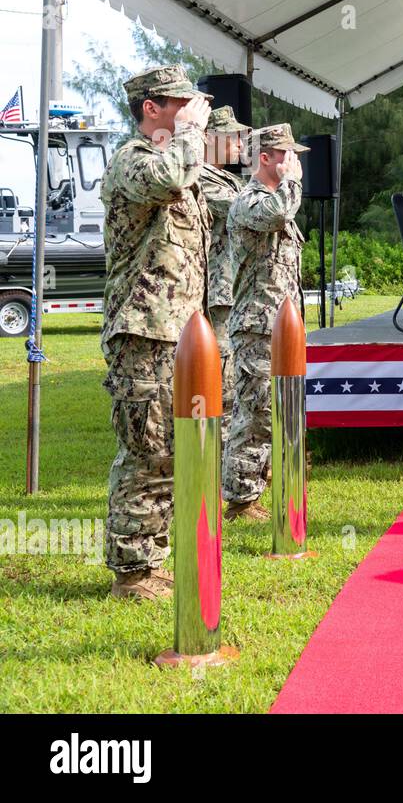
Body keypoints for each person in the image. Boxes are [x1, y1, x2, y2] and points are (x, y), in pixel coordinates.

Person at [100, 65, 212, 600]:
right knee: (146, 450)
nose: (192, 112)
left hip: (178, 334)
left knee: (171, 449)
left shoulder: (181, 163)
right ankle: (131, 572)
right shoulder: (132, 161)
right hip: (143, 332)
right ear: (152, 108)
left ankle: (153, 558)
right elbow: (169, 177)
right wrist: (190, 133)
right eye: (181, 103)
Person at [223, 124, 307, 520]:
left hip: (280, 324)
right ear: (265, 158)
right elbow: (277, 214)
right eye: (286, 156)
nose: (294, 163)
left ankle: (260, 482)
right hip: (257, 323)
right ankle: (240, 498)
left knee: (275, 410)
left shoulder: (276, 198)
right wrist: (291, 184)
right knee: (254, 412)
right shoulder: (251, 201)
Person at [199, 105, 250, 438]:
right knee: (222, 376)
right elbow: (245, 211)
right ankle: (217, 454)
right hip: (217, 291)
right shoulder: (201, 176)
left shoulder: (229, 178)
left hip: (234, 287)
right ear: (210, 139)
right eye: (232, 138)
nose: (240, 146)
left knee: (235, 374)